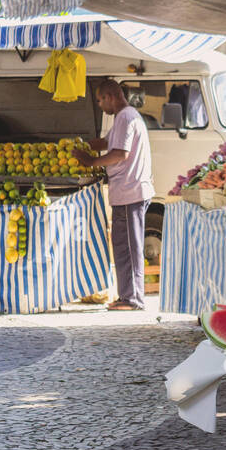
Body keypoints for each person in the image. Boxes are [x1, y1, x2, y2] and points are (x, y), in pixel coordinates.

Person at [73, 79, 153, 311]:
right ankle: (126, 296)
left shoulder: (127, 117)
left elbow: (120, 153)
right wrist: (81, 146)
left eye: (100, 100)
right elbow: (107, 142)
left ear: (110, 96)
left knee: (129, 246)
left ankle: (133, 299)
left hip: (131, 192)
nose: (100, 106)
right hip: (124, 193)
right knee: (121, 245)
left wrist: (92, 161)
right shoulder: (122, 118)